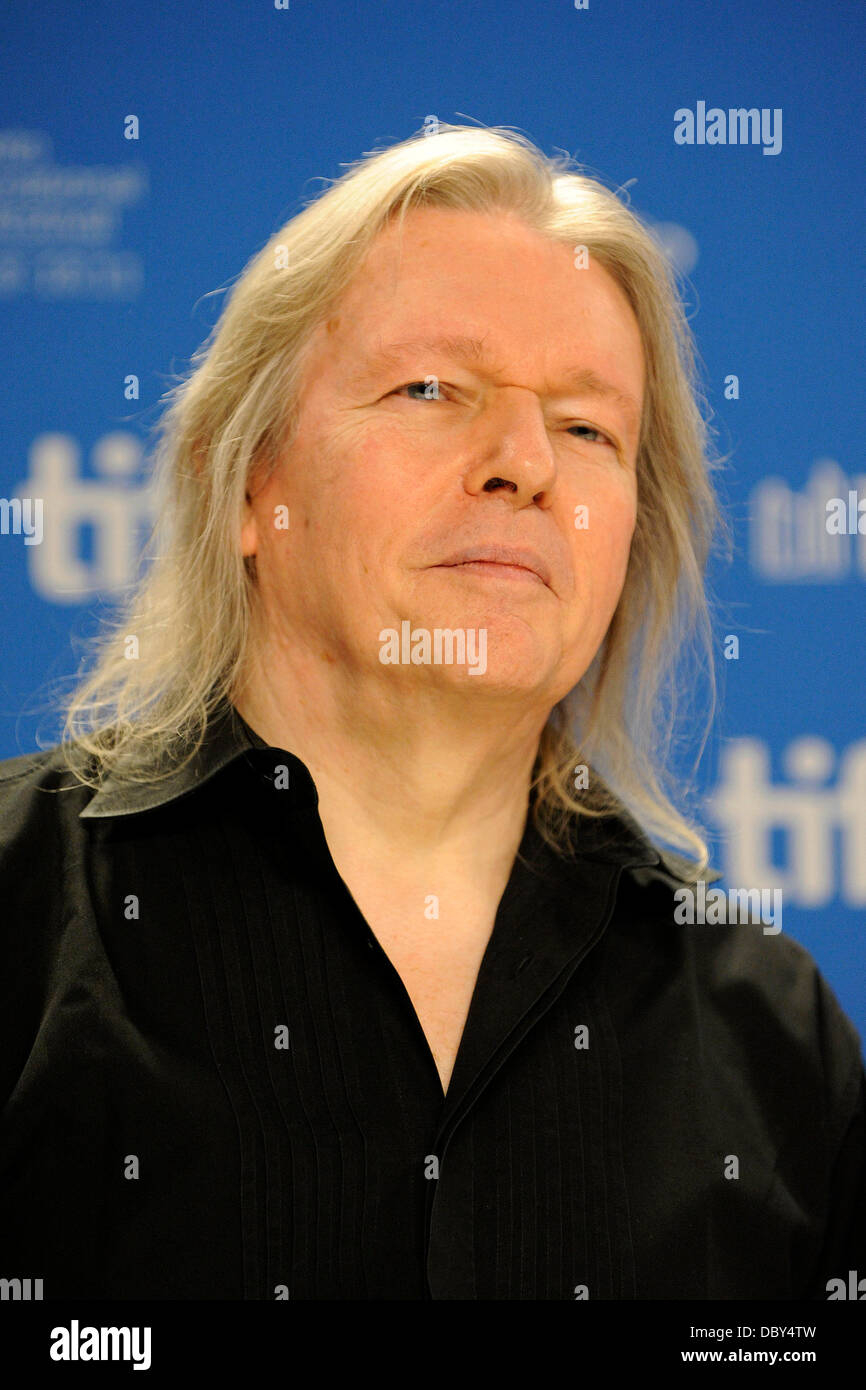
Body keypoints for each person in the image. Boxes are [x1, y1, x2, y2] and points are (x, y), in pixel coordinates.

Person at [0, 125, 863, 1301]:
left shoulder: (770, 1034)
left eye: (585, 427)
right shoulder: (18, 907)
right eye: (430, 389)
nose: (522, 463)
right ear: (246, 481)